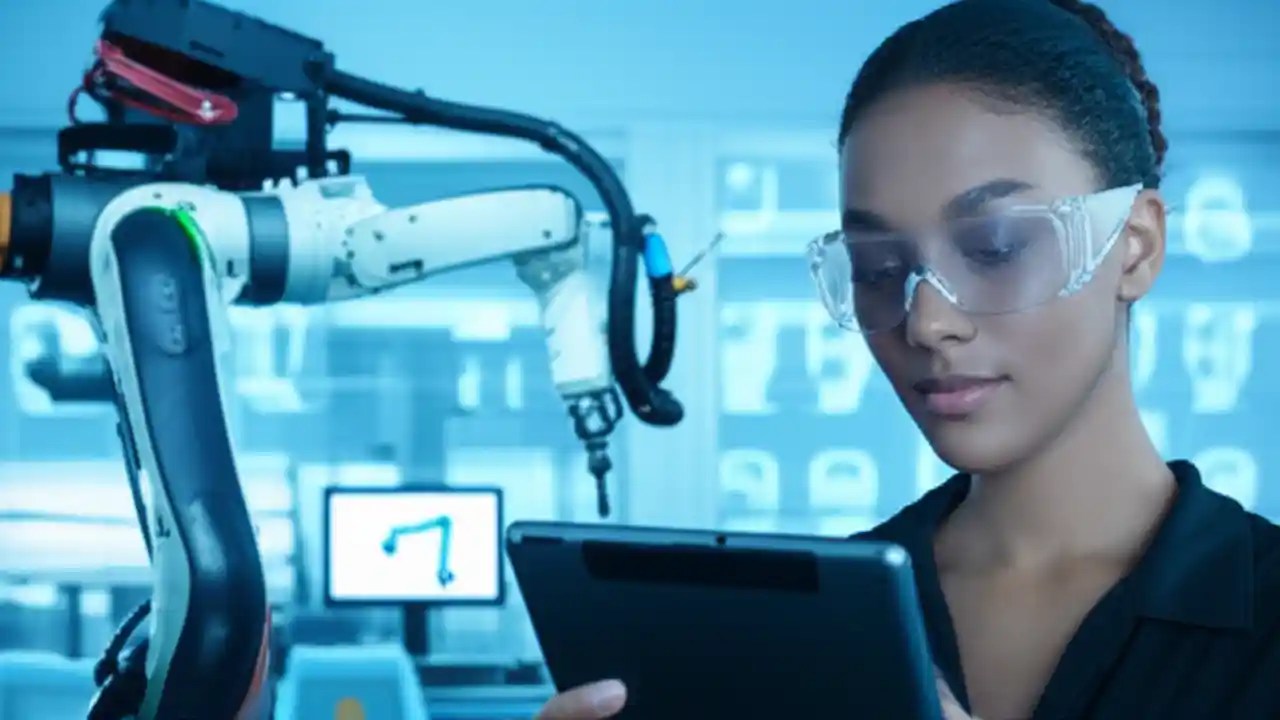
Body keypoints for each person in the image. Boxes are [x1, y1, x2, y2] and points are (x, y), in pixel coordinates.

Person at [535, 0, 1280, 717]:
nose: (926, 322)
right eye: (876, 267)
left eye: (994, 248)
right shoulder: (815, 625)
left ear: (1137, 247)